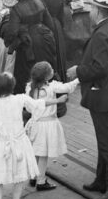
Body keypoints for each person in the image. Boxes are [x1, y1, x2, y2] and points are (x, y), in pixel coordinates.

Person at [67, 0, 108, 199]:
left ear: (99, 10)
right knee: (107, 140)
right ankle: (101, 180)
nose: (90, 11)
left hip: (103, 96)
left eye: (92, 8)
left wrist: (78, 71)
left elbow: (99, 68)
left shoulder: (102, 34)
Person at [26, 61, 79, 190]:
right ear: (46, 76)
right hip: (47, 125)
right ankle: (41, 181)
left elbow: (32, 105)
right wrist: (78, 79)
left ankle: (33, 176)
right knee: (43, 155)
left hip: (35, 124)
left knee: (36, 153)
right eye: (51, 70)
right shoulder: (52, 87)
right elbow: (68, 87)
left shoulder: (29, 87)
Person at [0, 0, 57, 92]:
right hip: (45, 40)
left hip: (28, 44)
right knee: (44, 68)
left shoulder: (16, 9)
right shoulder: (39, 1)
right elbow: (50, 24)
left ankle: (31, 101)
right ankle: (47, 94)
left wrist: (8, 41)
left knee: (27, 73)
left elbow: (12, 32)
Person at [37, 0, 68, 85]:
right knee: (59, 49)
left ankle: (50, 77)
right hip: (57, 26)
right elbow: (61, 16)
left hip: (46, 26)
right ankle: (61, 77)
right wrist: (60, 27)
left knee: (49, 50)